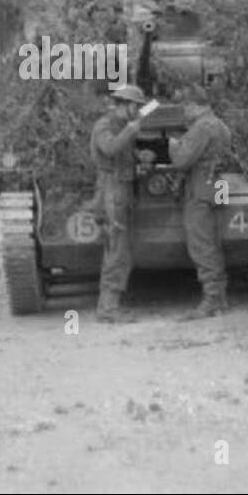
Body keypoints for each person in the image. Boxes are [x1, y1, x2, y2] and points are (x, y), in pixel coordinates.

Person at [168, 87, 233, 320]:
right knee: (214, 243)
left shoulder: (201, 127)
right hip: (218, 186)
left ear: (197, 105)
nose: (185, 111)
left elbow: (182, 161)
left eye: (187, 106)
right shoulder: (220, 125)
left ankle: (211, 299)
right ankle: (220, 297)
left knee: (201, 244)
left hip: (201, 188)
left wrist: (174, 145)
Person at [89, 84, 148, 322]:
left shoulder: (122, 126)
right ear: (127, 105)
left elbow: (123, 154)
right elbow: (110, 149)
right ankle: (108, 309)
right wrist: (131, 132)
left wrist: (140, 157)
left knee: (120, 249)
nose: (139, 111)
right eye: (137, 106)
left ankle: (109, 306)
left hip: (122, 188)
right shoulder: (105, 125)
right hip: (112, 190)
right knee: (117, 250)